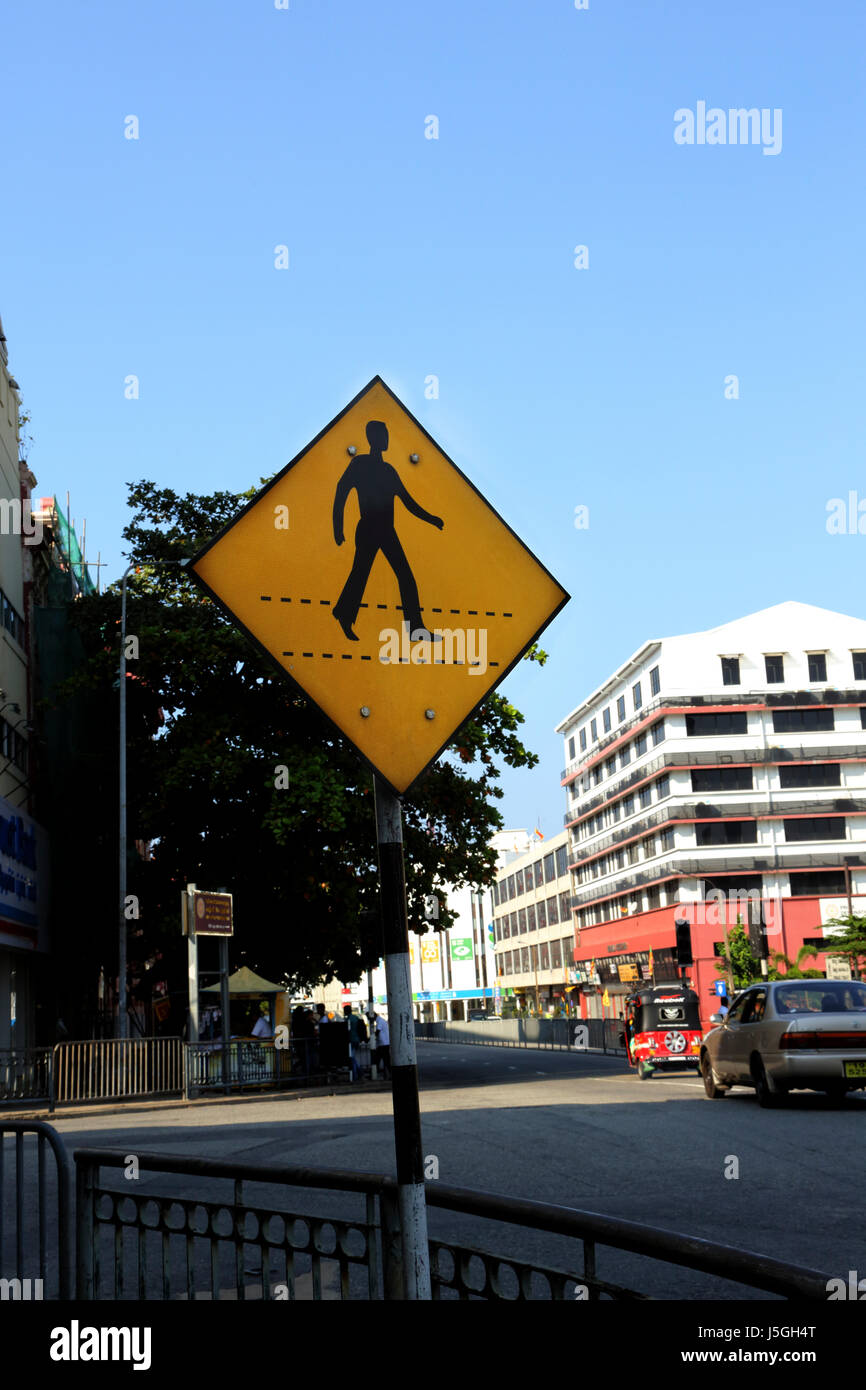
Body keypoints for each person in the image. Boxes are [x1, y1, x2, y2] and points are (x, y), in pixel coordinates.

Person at [332, 419, 444, 642]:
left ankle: (415, 628)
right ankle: (344, 615)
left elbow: (407, 502)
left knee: (406, 576)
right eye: (383, 434)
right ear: (373, 437)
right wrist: (338, 528)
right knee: (360, 574)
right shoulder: (360, 464)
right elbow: (341, 490)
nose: (386, 439)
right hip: (368, 528)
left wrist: (432, 519)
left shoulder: (388, 470)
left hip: (387, 530)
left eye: (387, 434)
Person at [345, 1007, 368, 1081]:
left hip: (351, 1040)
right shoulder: (356, 1018)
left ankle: (357, 1074)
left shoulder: (348, 1019)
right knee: (353, 1057)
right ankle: (358, 1074)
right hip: (357, 1039)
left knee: (352, 1058)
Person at [371, 1011, 391, 1079]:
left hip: (383, 1043)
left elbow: (378, 1031)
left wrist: (372, 1038)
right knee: (381, 1059)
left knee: (383, 1059)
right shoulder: (381, 1020)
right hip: (383, 1043)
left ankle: (376, 1073)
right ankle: (378, 1073)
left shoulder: (379, 1021)